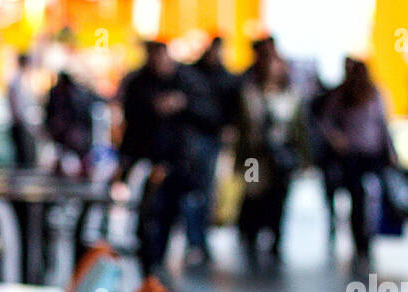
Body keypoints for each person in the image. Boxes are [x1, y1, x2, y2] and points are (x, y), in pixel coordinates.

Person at [117, 40, 221, 277]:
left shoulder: (188, 81)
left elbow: (210, 116)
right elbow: (130, 124)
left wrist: (183, 105)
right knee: (149, 213)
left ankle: (176, 252)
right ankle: (150, 259)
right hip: (149, 160)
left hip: (181, 160)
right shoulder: (138, 83)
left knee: (174, 211)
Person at [320, 58, 395, 271]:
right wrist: (336, 139)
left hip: (372, 155)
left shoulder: (374, 94)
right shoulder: (342, 95)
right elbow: (327, 121)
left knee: (369, 199)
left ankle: (367, 240)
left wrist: (390, 150)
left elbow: (383, 124)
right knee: (357, 199)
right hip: (352, 156)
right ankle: (359, 241)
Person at [236, 46, 304, 265]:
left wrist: (303, 159)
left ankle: (275, 239)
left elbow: (299, 130)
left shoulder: (290, 96)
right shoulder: (250, 93)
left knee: (279, 198)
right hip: (254, 157)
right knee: (253, 195)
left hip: (281, 158)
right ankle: (251, 236)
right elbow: (242, 129)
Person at [182, 36, 239, 266]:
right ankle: (195, 241)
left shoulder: (226, 78)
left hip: (211, 139)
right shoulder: (193, 75)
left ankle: (199, 241)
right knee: (195, 191)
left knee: (204, 191)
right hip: (196, 139)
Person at [44, 70, 96, 175]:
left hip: (69, 128)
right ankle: (62, 169)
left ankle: (83, 169)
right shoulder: (59, 93)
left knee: (74, 150)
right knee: (62, 150)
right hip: (62, 128)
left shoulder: (72, 93)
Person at [7, 52, 40, 168]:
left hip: (23, 120)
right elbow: (16, 102)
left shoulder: (22, 79)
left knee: (25, 152)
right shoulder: (17, 80)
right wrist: (18, 118)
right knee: (22, 152)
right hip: (20, 120)